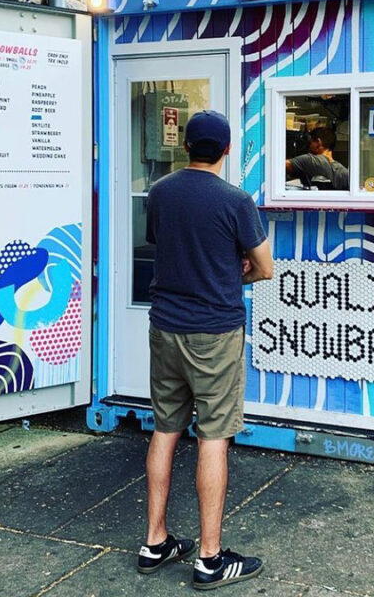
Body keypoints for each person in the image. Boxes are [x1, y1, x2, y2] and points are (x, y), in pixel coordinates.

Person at [138, 109, 273, 590]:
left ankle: (155, 542)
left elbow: (162, 243)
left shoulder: (160, 192)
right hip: (214, 333)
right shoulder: (236, 200)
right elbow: (265, 267)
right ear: (227, 149)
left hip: (164, 328)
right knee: (213, 437)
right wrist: (238, 272)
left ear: (186, 147)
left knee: (165, 429)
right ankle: (210, 558)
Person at [285, 125, 348, 190]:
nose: (308, 147)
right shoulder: (343, 172)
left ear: (318, 142)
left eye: (310, 142)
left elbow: (281, 165)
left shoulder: (311, 160)